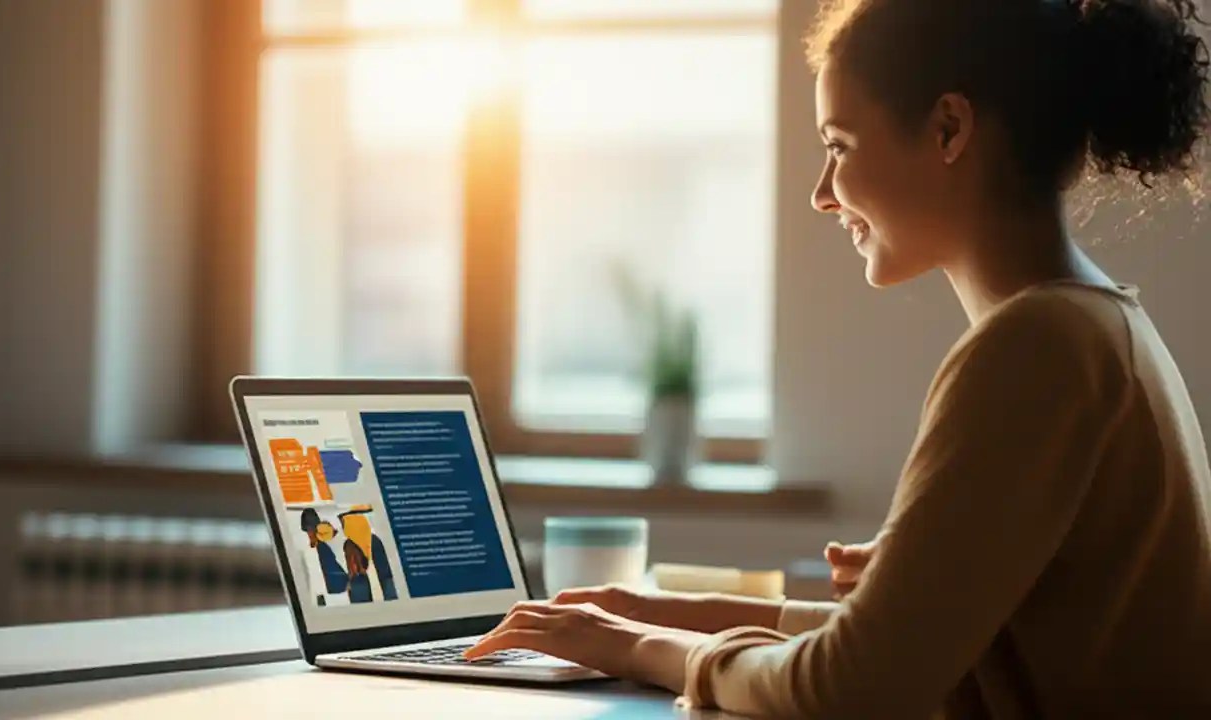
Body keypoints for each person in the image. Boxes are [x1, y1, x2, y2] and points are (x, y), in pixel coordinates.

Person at [464, 0, 1211, 716]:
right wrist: (654, 610)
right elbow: (900, 648)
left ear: (949, 128)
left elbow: (850, 687)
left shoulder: (1035, 347)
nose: (823, 195)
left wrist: (639, 647)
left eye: (839, 147)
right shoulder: (1095, 324)